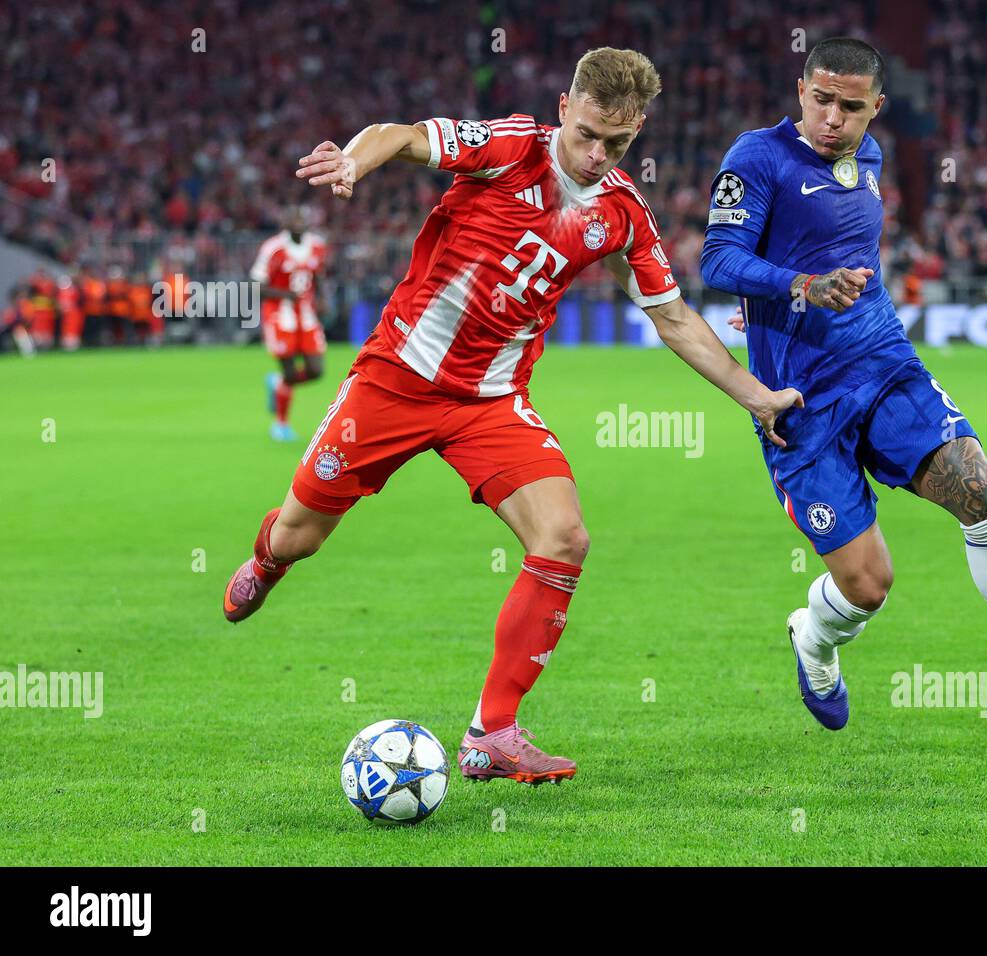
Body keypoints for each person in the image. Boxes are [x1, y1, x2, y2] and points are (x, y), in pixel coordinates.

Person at [221, 48, 802, 785]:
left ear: (638, 130)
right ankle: (270, 559)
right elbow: (401, 135)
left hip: (491, 402)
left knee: (564, 536)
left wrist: (759, 397)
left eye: (617, 144)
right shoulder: (508, 148)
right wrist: (354, 164)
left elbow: (676, 319)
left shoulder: (621, 211)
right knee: (301, 534)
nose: (597, 156)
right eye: (588, 134)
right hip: (395, 381)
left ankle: (492, 732)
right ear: (565, 107)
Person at [701, 38, 987, 739]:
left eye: (851, 106)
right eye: (821, 99)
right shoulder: (757, 157)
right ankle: (815, 640)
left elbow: (850, 247)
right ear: (800, 89)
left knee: (983, 492)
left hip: (884, 364)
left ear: (877, 110)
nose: (833, 117)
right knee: (868, 586)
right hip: (799, 402)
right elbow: (718, 257)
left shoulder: (869, 158)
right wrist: (800, 285)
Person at [251, 207, 329, 441]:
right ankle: (281, 424)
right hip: (279, 316)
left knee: (316, 370)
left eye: (301, 219)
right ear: (284, 222)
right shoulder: (273, 248)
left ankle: (278, 384)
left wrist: (322, 298)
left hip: (305, 315)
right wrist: (286, 295)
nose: (298, 223)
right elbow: (256, 286)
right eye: (292, 218)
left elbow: (318, 275)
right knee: (290, 370)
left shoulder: (317, 245)